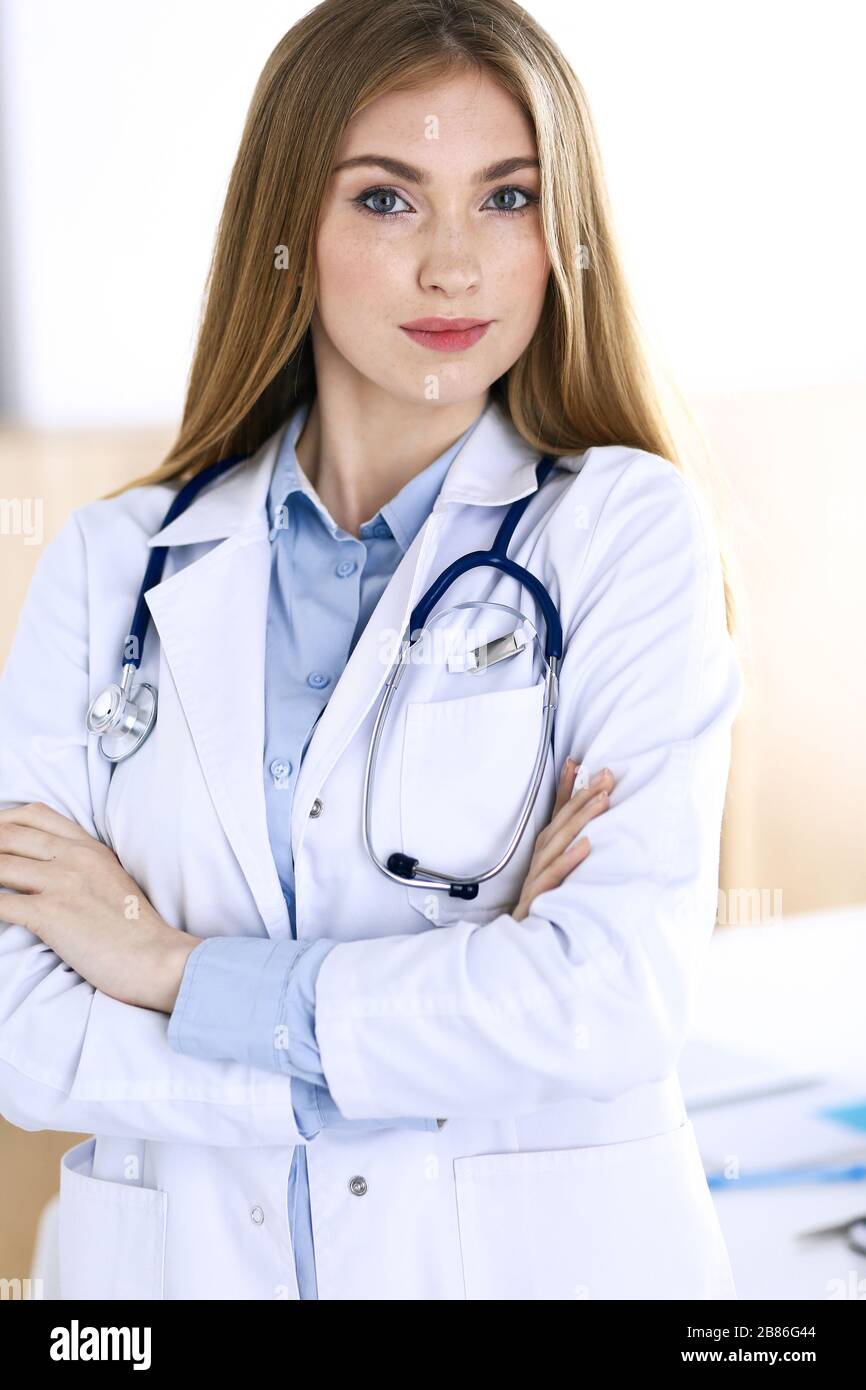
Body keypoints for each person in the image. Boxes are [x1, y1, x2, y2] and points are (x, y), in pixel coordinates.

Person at [0, 0, 742, 1300]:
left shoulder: (623, 529)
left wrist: (166, 968)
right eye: (388, 201)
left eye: (505, 198)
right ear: (288, 231)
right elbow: (17, 1031)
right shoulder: (112, 565)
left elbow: (610, 998)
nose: (453, 266)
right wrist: (437, 1022)